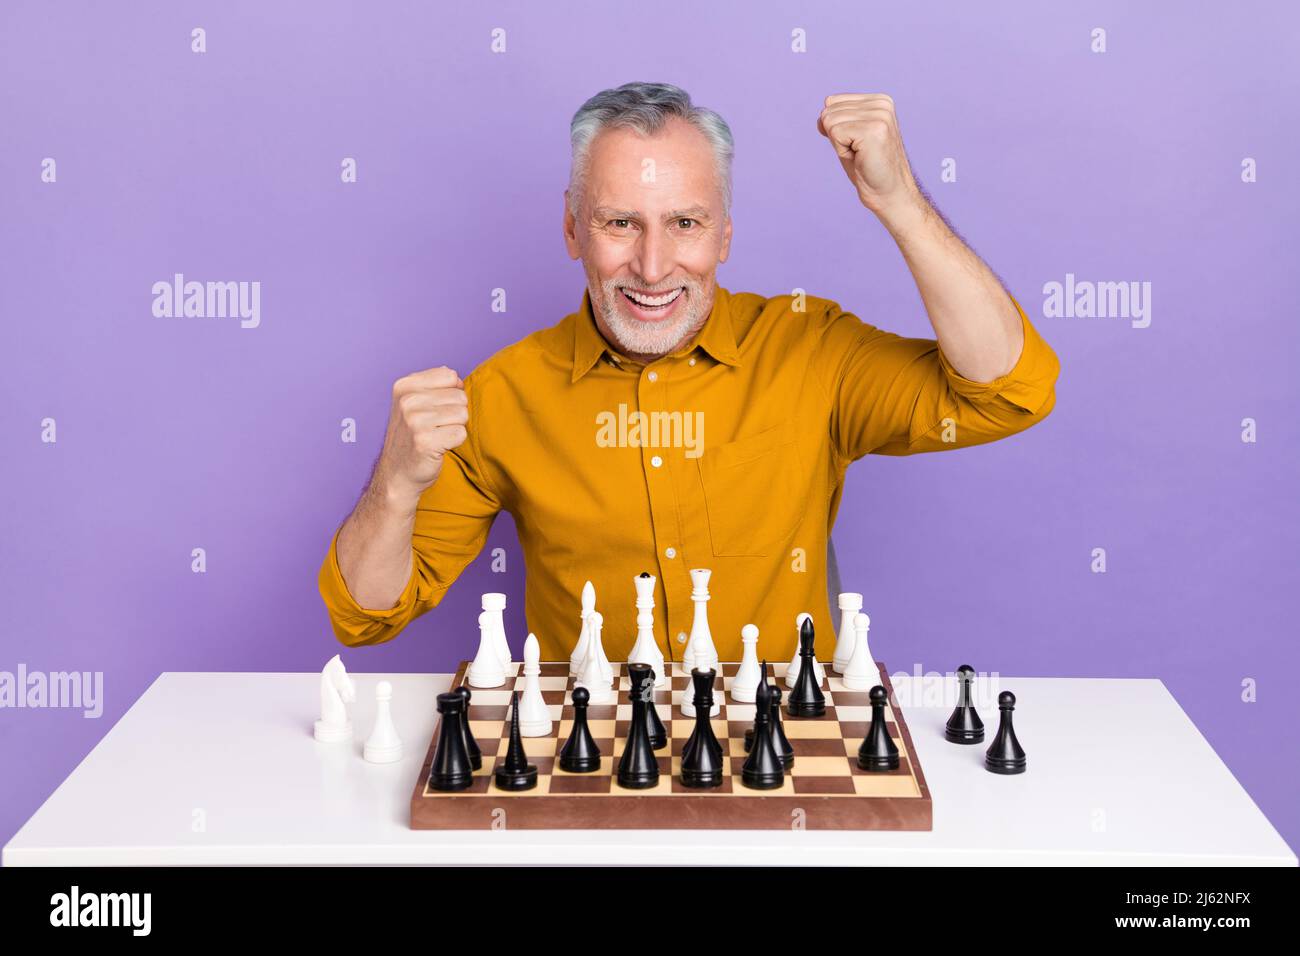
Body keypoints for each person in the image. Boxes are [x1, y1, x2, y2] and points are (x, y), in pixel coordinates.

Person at [317, 81, 1059, 663]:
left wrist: (898, 201)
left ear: (725, 233)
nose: (651, 266)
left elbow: (1010, 393)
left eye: (685, 223)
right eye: (619, 223)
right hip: (590, 770)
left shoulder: (813, 352)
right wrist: (395, 481)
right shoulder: (504, 395)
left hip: (781, 761)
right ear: (573, 229)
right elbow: (366, 616)